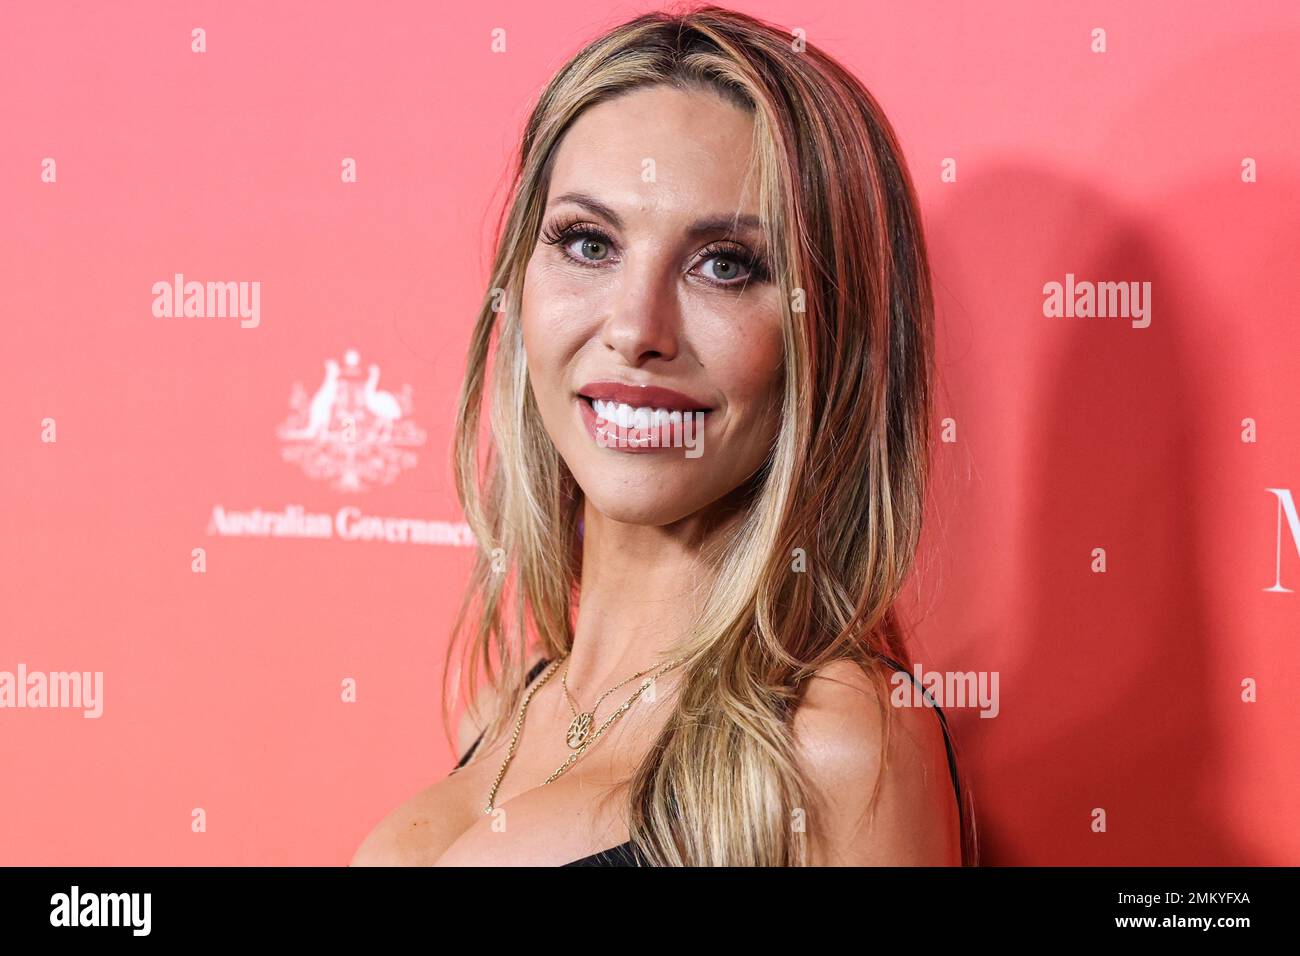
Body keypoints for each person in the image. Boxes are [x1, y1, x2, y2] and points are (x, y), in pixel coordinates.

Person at [352, 4, 976, 867]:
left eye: (724, 263)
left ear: (831, 338)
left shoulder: (831, 751)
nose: (635, 328)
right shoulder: (509, 705)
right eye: (588, 242)